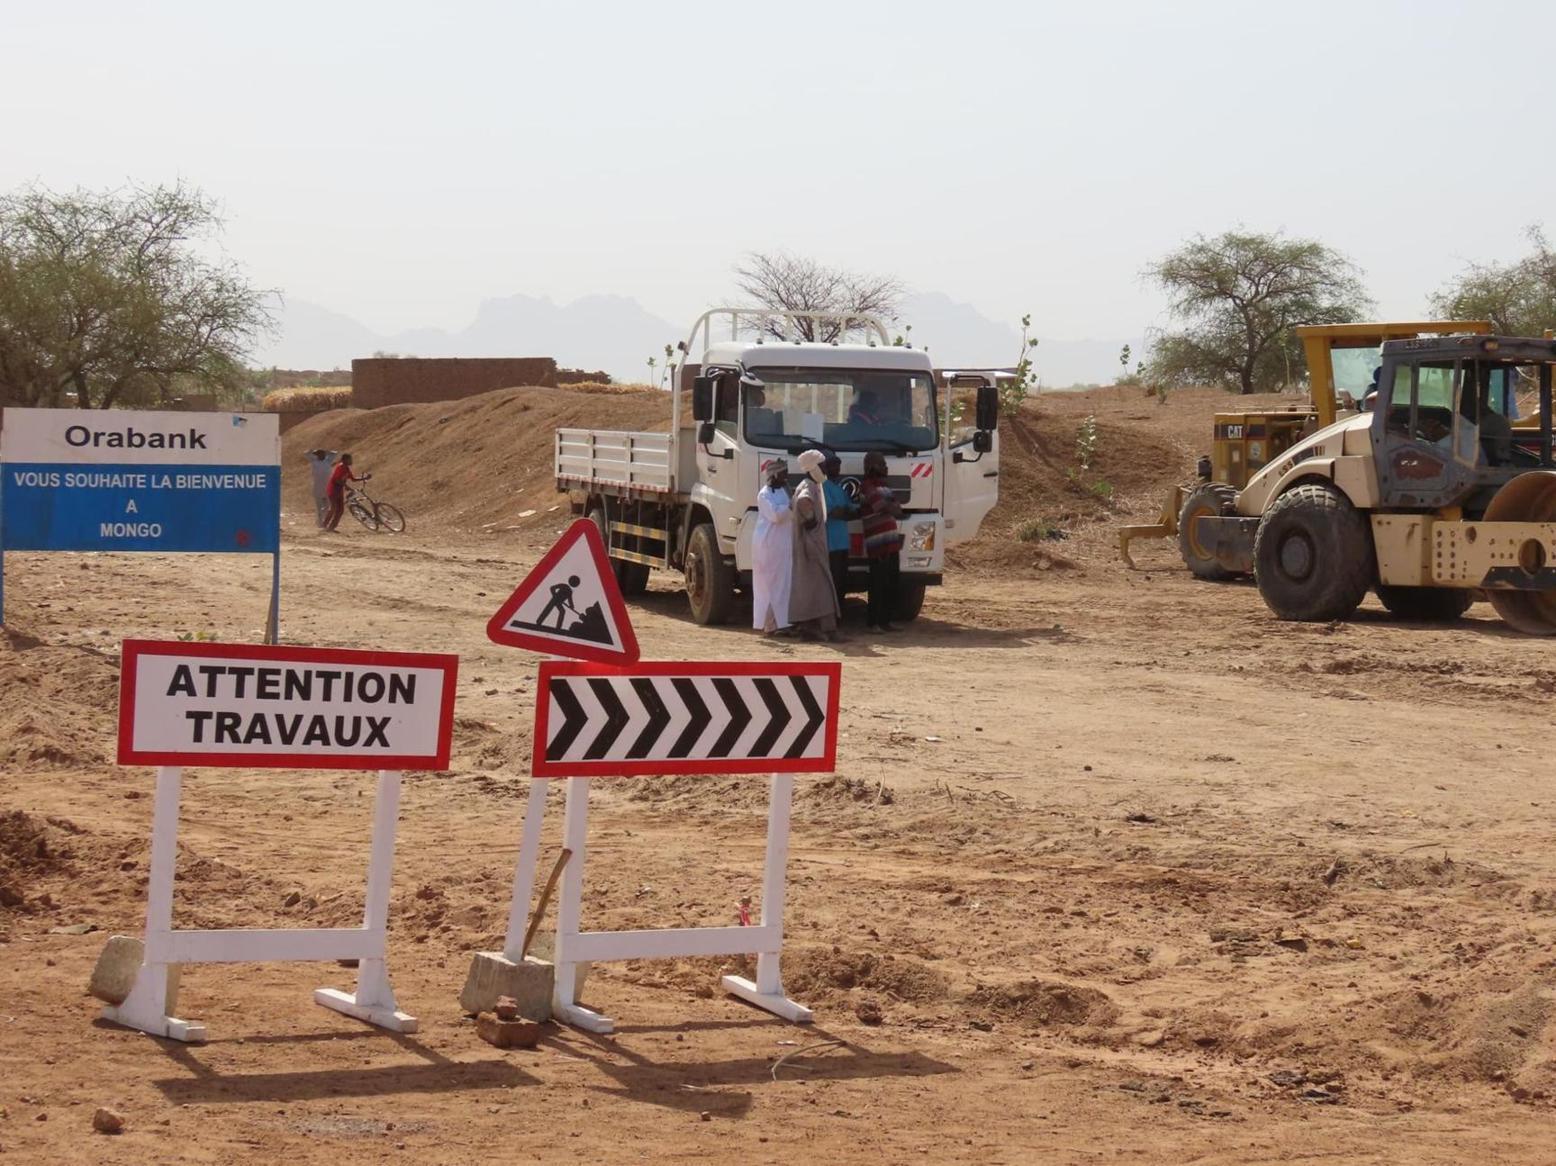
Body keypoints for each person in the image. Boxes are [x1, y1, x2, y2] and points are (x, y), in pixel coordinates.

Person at [789, 448, 842, 642]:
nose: (825, 469)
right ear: (813, 468)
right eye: (822, 466)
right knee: (821, 588)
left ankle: (813, 628)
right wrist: (809, 517)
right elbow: (803, 501)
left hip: (814, 545)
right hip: (810, 546)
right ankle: (823, 629)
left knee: (813, 589)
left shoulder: (815, 485)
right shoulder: (808, 487)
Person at [858, 450, 904, 632]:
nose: (886, 467)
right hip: (877, 544)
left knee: (891, 583)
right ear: (872, 467)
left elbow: (896, 509)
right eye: (882, 464)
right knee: (877, 584)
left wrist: (890, 507)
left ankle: (886, 621)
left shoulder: (883, 486)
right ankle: (873, 623)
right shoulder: (867, 486)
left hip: (891, 542)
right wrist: (890, 507)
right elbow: (883, 506)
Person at [751, 461, 794, 635]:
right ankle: (769, 625)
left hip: (782, 545)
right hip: (767, 546)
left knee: (783, 584)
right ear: (774, 475)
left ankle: (782, 624)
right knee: (768, 586)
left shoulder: (784, 492)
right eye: (784, 474)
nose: (786, 477)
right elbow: (776, 516)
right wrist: (791, 506)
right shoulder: (764, 495)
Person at [820, 452, 855, 609]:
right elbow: (832, 512)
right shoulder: (823, 487)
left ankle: (838, 611)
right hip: (829, 542)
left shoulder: (839, 488)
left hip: (842, 542)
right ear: (826, 468)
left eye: (838, 466)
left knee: (841, 579)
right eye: (834, 466)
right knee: (831, 579)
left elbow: (851, 510)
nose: (837, 469)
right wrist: (844, 511)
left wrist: (846, 511)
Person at [323, 452, 367, 532]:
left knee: (340, 510)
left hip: (339, 492)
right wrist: (346, 486)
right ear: (345, 460)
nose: (351, 461)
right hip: (333, 490)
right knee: (333, 508)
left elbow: (353, 479)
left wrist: (364, 478)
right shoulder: (340, 467)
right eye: (350, 459)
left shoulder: (346, 468)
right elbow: (336, 480)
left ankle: (331, 528)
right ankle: (324, 525)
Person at [306, 449, 338, 527]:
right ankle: (320, 523)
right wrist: (314, 451)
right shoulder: (314, 461)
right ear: (317, 455)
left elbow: (335, 453)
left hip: (328, 488)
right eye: (319, 454)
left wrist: (326, 451)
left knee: (327, 506)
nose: (321, 455)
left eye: (322, 454)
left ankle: (323, 521)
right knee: (319, 508)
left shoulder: (328, 461)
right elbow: (306, 453)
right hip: (317, 488)